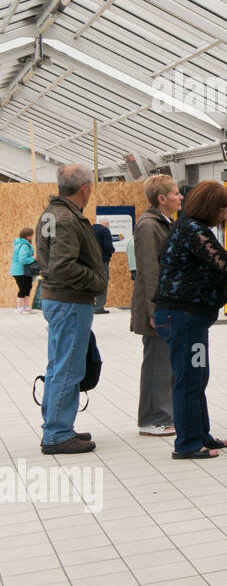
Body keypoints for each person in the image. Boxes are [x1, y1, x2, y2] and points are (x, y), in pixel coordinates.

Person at [153, 181, 227, 460]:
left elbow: (208, 266)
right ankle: (188, 444)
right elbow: (226, 263)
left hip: (188, 317)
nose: (225, 215)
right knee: (189, 378)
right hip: (183, 316)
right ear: (211, 207)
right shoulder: (193, 229)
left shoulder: (188, 228)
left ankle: (200, 434)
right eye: (223, 209)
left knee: (198, 376)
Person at [35, 164, 107, 454]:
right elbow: (63, 265)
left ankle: (57, 425)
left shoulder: (52, 213)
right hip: (70, 300)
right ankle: (57, 434)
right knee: (68, 368)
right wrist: (96, 282)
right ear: (85, 189)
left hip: (57, 298)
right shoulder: (67, 218)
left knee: (58, 366)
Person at [131, 174, 183, 438]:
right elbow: (151, 270)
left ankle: (163, 414)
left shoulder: (164, 222)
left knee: (165, 363)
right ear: (162, 199)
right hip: (157, 307)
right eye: (175, 193)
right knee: (156, 363)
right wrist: (154, 311)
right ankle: (152, 419)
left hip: (165, 304)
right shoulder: (149, 226)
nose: (180, 196)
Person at [91, 216, 114, 313]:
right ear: (106, 224)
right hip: (102, 260)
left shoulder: (90, 229)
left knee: (92, 282)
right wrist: (112, 251)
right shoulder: (105, 231)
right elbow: (108, 246)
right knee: (103, 282)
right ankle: (99, 307)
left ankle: (91, 305)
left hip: (91, 261)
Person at [10, 226, 36, 314]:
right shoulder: (24, 245)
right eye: (32, 235)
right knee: (23, 288)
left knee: (28, 287)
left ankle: (26, 307)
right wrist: (33, 258)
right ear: (27, 236)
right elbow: (22, 259)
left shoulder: (23, 244)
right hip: (19, 271)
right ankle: (19, 308)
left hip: (23, 271)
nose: (33, 236)